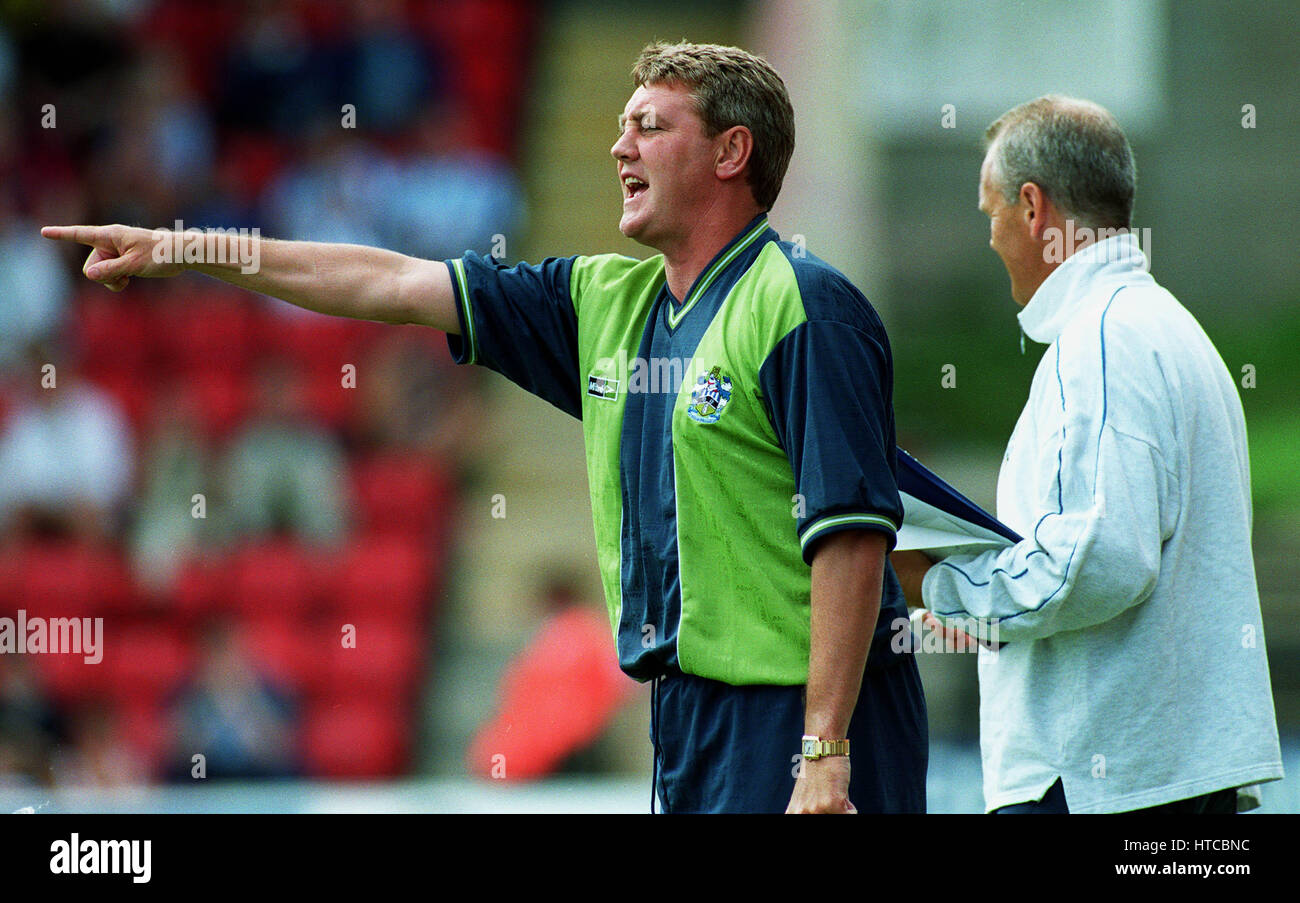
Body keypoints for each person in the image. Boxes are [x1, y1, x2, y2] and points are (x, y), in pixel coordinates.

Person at [42, 41, 927, 814]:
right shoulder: (600, 304)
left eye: (651, 126)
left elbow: (850, 535)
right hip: (691, 718)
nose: (619, 145)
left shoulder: (805, 306)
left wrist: (824, 747)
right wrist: (190, 248)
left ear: (733, 151)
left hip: (806, 719)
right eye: (621, 124)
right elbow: (387, 282)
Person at [891, 95, 1284, 814]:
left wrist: (937, 580)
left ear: (1033, 208)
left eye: (991, 213)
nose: (990, 237)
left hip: (1101, 782)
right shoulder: (1167, 328)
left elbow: (1098, 561)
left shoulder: (1103, 340)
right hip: (1170, 777)